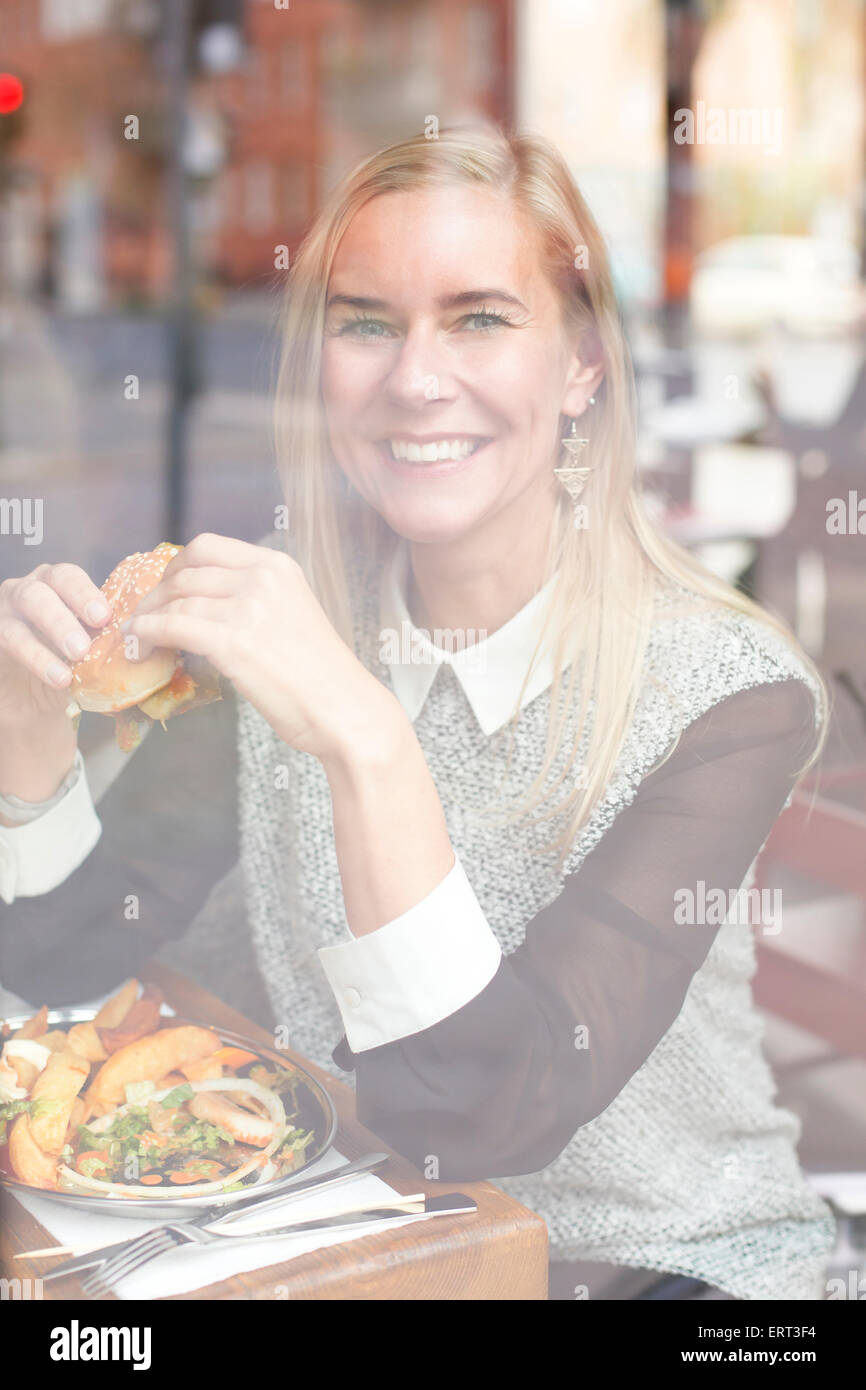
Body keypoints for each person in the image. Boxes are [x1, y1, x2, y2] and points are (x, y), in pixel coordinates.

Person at [0, 125, 836, 1300]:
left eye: (480, 318)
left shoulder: (727, 690)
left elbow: (481, 1112)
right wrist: (28, 731)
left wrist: (364, 736)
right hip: (370, 1254)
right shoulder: (285, 626)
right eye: (366, 322)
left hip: (672, 1276)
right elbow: (65, 953)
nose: (414, 377)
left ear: (583, 364)